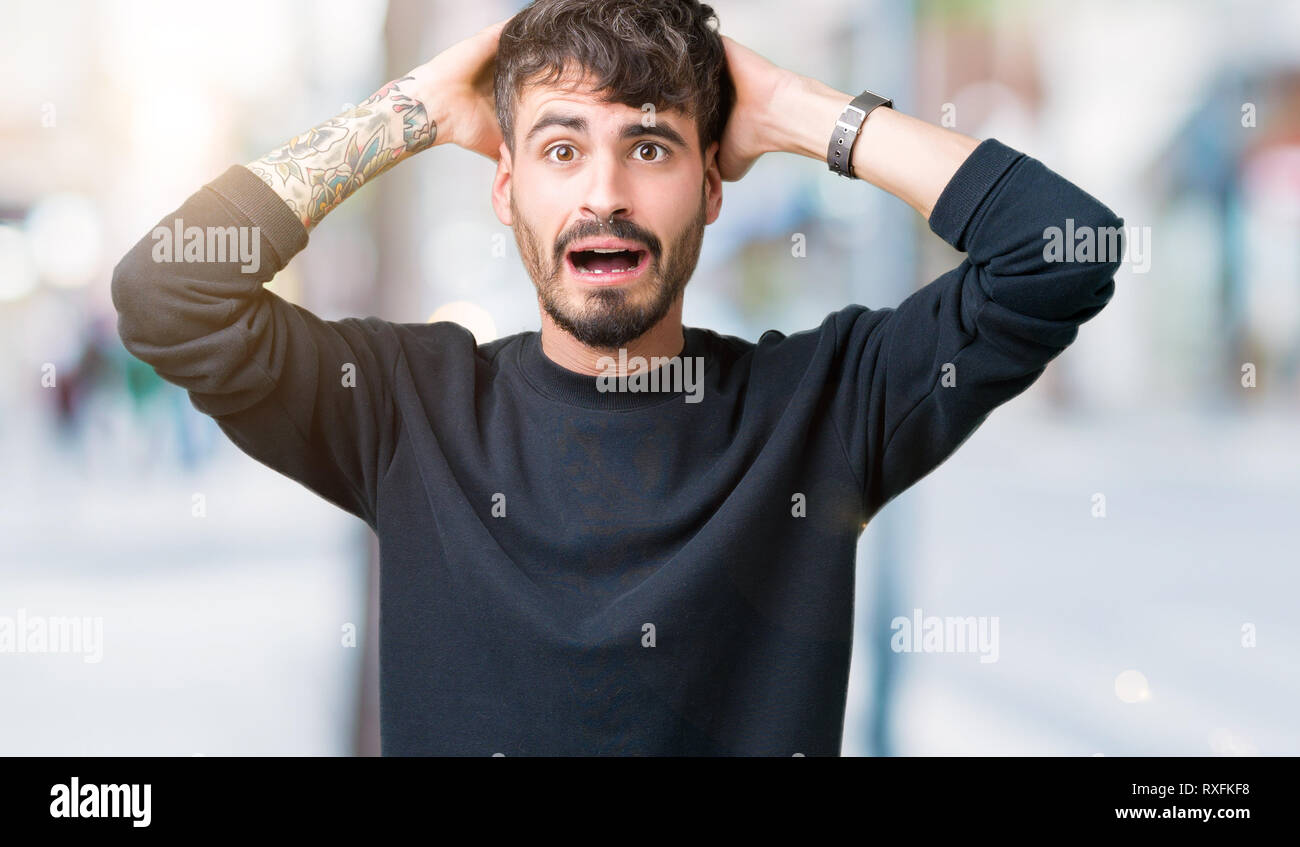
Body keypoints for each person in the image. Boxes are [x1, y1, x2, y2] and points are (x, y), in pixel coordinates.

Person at [110, 0, 1124, 755]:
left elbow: (1066, 249)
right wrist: (409, 111)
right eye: (559, 149)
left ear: (713, 186)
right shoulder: (398, 408)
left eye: (649, 145)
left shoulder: (823, 408)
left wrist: (797, 108)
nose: (604, 192)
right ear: (505, 189)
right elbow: (167, 291)